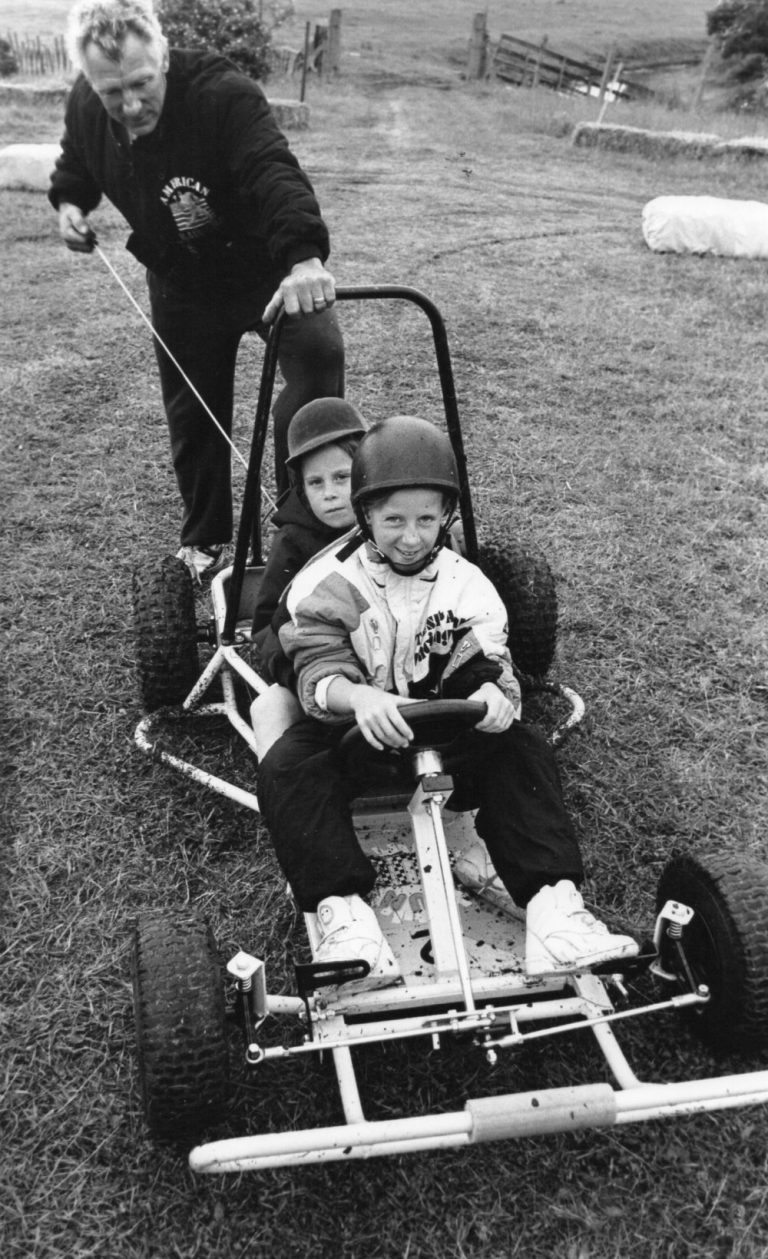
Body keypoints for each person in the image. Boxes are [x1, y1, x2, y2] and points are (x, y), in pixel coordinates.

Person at [257, 415, 638, 992]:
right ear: (365, 517)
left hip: (442, 732)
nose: (411, 537)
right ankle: (344, 919)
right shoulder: (326, 583)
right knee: (289, 764)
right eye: (393, 521)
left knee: (522, 748)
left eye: (426, 520)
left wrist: (492, 693)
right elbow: (315, 668)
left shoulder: (467, 584)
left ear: (446, 518)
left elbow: (485, 660)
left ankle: (554, 912)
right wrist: (359, 697)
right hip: (353, 735)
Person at [49, 0, 344, 583]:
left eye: (141, 83)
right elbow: (75, 165)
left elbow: (271, 168)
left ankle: (308, 526)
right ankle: (205, 540)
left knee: (318, 363)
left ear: (163, 56)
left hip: (267, 270)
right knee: (193, 411)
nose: (130, 105)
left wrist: (303, 256)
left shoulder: (221, 94)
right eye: (113, 92)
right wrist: (68, 206)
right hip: (181, 280)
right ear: (89, 81)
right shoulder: (87, 104)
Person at [248, 396, 368, 761]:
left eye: (342, 477)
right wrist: (297, 674)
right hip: (315, 668)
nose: (330, 493)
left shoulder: (390, 522)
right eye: (315, 483)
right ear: (299, 487)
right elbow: (265, 627)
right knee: (271, 705)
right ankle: (289, 782)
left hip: (388, 659)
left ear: (368, 472)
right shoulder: (293, 540)